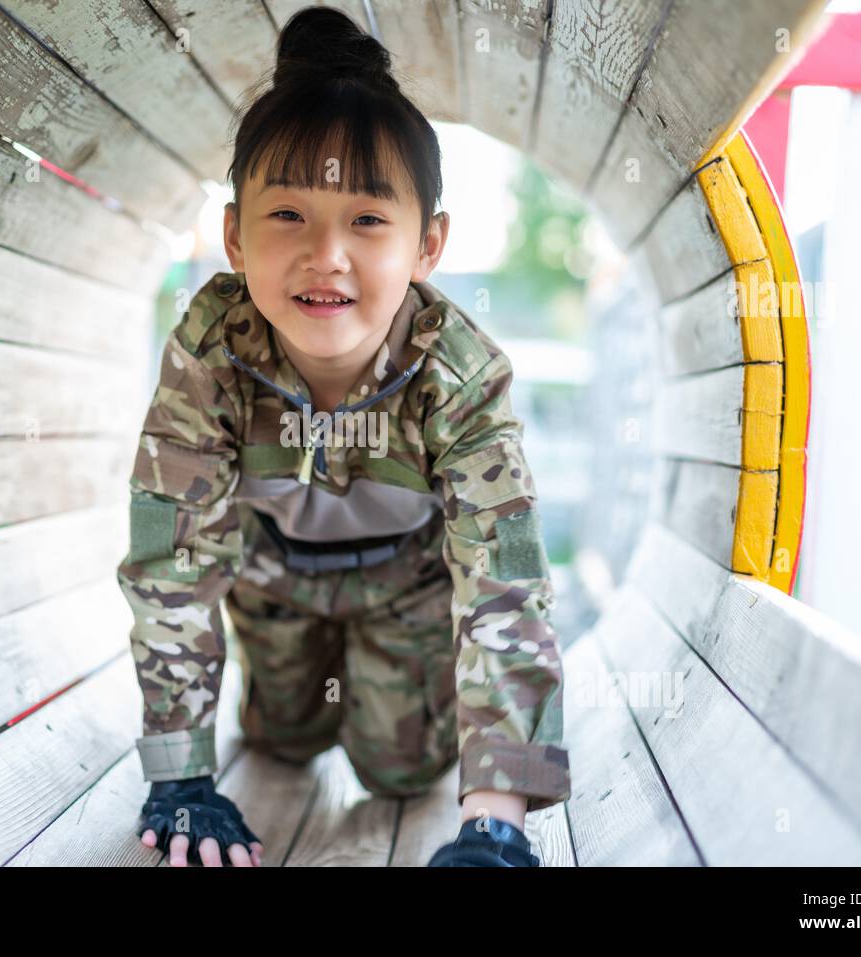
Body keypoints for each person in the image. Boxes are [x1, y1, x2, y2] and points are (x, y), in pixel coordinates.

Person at [119, 6, 569, 868]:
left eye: (367, 221)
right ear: (233, 237)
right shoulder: (210, 351)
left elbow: (505, 588)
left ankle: (399, 710)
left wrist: (496, 824)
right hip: (273, 579)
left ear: (426, 245)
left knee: (402, 770)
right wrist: (178, 777)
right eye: (287, 214)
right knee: (283, 738)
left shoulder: (461, 377)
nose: (326, 255)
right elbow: (170, 558)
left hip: (408, 587)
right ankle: (288, 695)